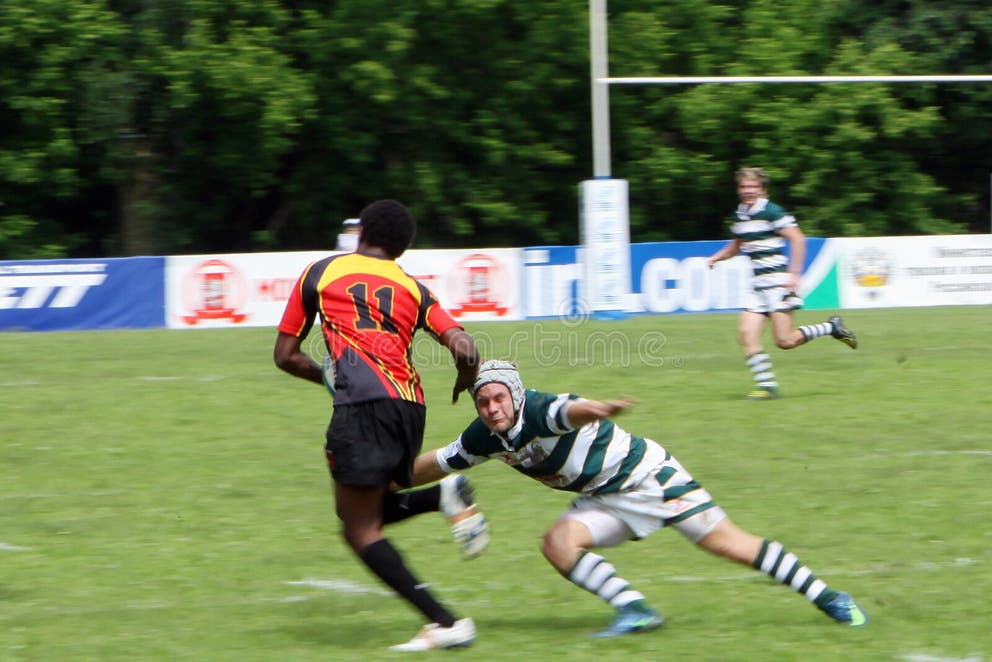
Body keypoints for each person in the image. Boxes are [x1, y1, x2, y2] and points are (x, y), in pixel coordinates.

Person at [410, 360, 869, 638]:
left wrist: (600, 408)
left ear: (515, 393)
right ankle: (636, 611)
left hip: (648, 478)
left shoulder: (538, 409)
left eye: (498, 398)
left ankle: (828, 596)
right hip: (603, 498)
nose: (491, 407)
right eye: (483, 401)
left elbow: (569, 410)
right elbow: (437, 463)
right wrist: (383, 478)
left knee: (728, 544)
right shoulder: (484, 437)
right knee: (557, 543)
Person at [274, 199, 488, 652]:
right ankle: (441, 495)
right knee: (359, 511)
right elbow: (466, 348)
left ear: (360, 233)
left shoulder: (322, 271)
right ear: (403, 248)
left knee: (359, 530)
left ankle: (446, 623)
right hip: (410, 406)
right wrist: (465, 379)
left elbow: (286, 356)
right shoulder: (414, 288)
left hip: (363, 407)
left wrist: (328, 377)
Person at [707, 167, 857, 400]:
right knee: (746, 334)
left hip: (777, 283)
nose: (748, 191)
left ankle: (831, 328)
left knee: (785, 341)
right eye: (744, 187)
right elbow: (738, 245)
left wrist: (795, 273)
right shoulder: (740, 215)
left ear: (762, 189)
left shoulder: (772, 211)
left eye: (753, 187)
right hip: (757, 286)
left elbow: (797, 238)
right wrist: (718, 257)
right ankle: (767, 387)